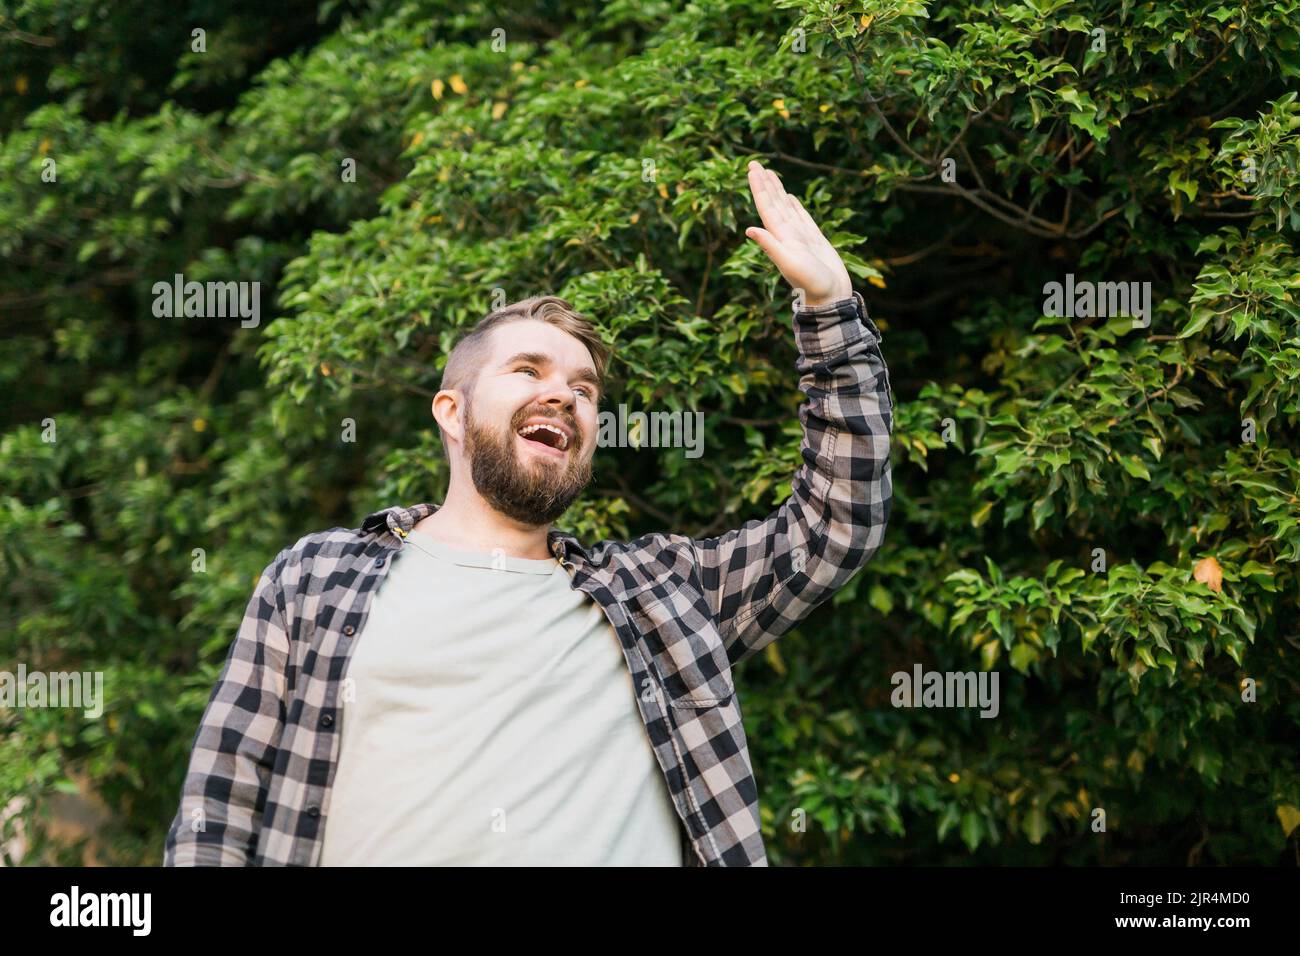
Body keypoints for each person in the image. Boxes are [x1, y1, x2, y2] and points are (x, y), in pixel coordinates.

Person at [163, 161, 894, 866]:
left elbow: (835, 524)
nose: (564, 396)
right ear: (451, 411)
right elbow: (219, 809)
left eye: (584, 389)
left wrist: (830, 310)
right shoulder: (316, 579)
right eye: (527, 371)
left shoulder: (662, 596)